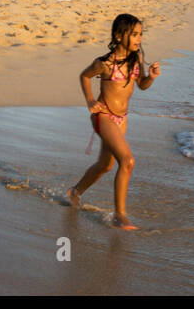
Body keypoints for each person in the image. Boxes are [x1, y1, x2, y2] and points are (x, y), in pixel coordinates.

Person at [67, 14, 162, 229]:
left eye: (141, 35)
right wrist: (90, 100)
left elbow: (142, 85)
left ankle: (75, 192)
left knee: (105, 165)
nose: (139, 39)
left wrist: (152, 78)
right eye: (134, 34)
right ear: (119, 36)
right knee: (127, 161)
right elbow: (84, 76)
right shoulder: (105, 63)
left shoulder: (135, 60)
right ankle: (120, 215)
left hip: (122, 119)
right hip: (103, 116)